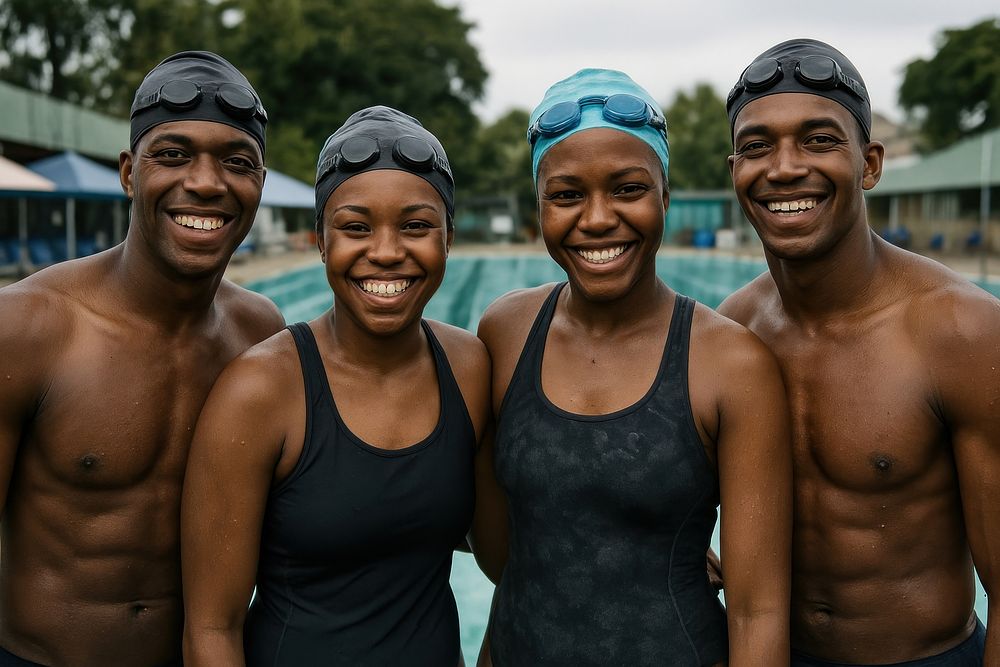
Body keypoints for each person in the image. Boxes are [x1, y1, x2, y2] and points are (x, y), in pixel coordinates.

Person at [472, 68, 792, 666]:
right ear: (538, 206)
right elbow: (494, 544)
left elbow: (759, 611)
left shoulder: (730, 361)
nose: (597, 219)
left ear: (665, 195)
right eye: (567, 195)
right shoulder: (506, 330)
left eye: (628, 189)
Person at [720, 38, 1000, 666]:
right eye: (757, 147)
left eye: (820, 141)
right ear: (734, 169)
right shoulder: (732, 332)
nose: (785, 168)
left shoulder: (960, 330)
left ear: (870, 164)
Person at [0, 51, 283, 666]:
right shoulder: (27, 327)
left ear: (259, 184)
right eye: (173, 155)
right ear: (129, 173)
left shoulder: (260, 332)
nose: (206, 183)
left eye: (237, 163)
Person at [181, 106, 491, 667]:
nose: (387, 252)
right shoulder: (261, 390)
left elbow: (500, 545)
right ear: (321, 241)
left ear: (448, 238)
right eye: (355, 227)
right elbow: (210, 630)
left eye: (417, 226)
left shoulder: (468, 367)